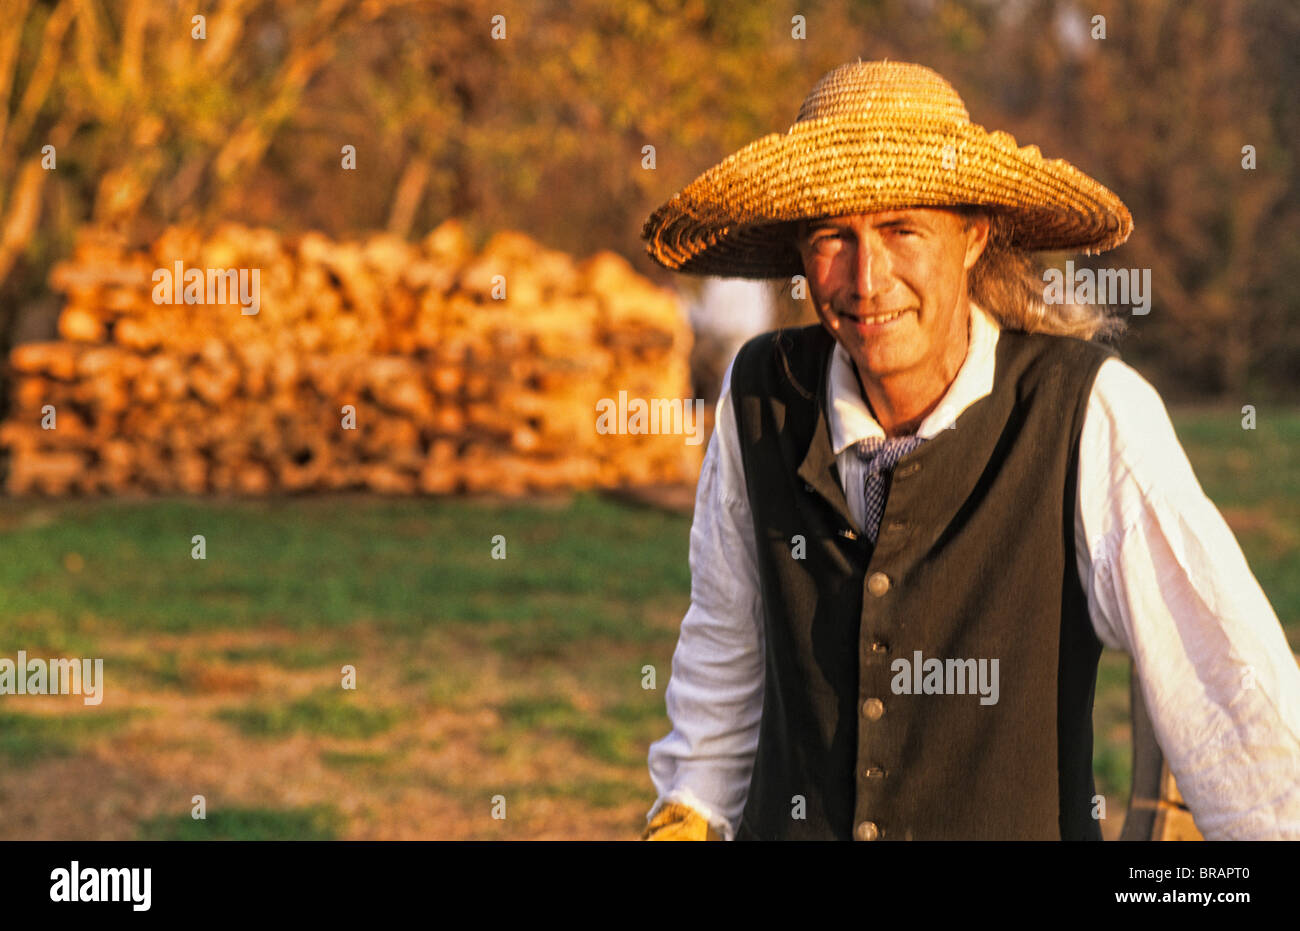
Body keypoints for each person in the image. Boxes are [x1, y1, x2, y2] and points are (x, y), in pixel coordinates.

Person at [637, 60, 1300, 841]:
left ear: (973, 235)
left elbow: (1229, 687)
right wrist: (690, 805)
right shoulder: (761, 398)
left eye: (901, 230)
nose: (866, 279)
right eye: (831, 239)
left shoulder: (1089, 412)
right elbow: (725, 635)